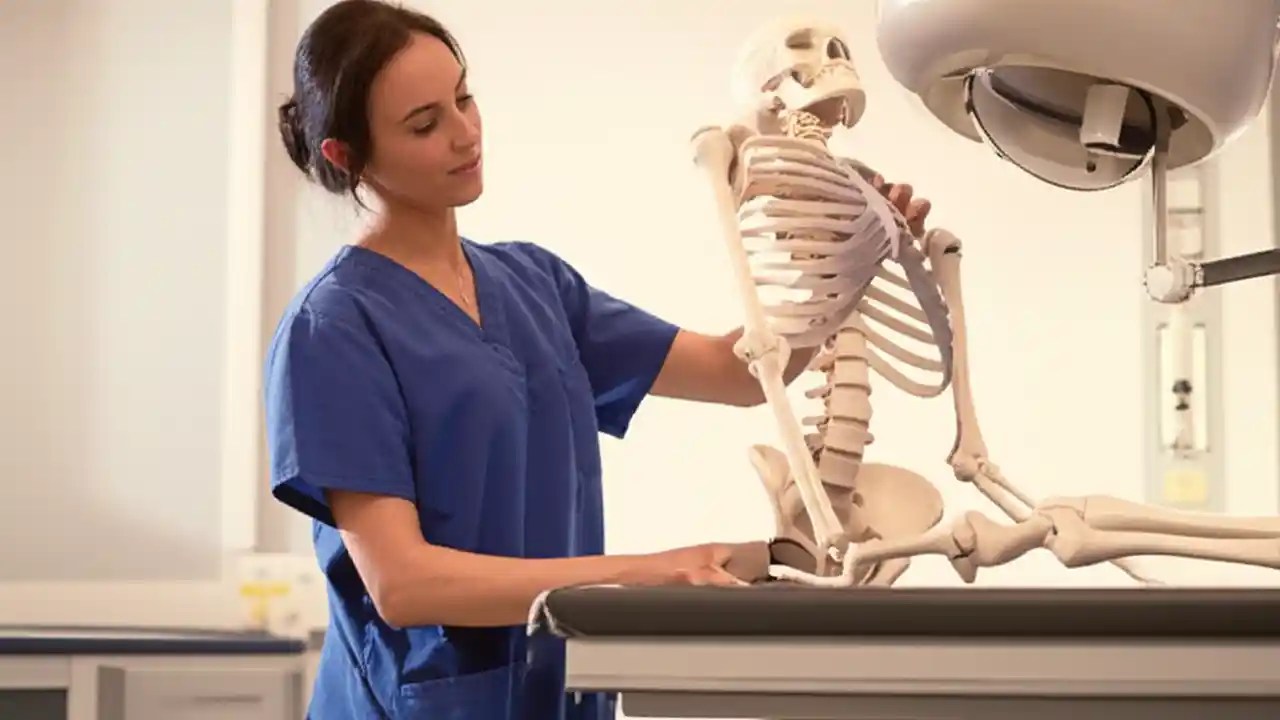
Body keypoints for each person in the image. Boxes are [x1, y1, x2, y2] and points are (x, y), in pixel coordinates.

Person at [263, 1, 932, 718]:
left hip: (561, 691)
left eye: (464, 99)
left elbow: (740, 374)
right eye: (425, 124)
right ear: (347, 155)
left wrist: (845, 252)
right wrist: (648, 575)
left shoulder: (533, 284)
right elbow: (403, 586)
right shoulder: (335, 325)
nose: (465, 134)